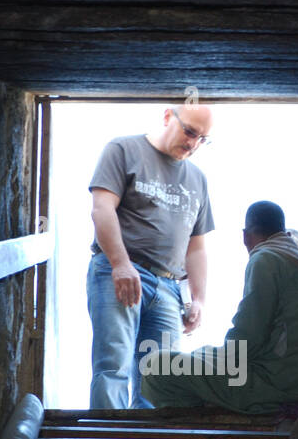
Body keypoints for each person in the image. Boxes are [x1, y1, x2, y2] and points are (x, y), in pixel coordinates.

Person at [140, 201, 298, 414]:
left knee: (156, 367)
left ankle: (208, 424)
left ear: (245, 236)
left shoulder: (265, 259)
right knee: (197, 360)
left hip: (280, 388)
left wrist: (204, 354)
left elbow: (245, 342)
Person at [86, 105, 215, 408]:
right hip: (119, 273)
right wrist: (120, 264)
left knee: (160, 379)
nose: (194, 143)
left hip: (169, 287)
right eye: (190, 132)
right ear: (169, 117)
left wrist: (198, 299)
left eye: (203, 139)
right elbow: (101, 209)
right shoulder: (123, 149)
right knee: (113, 364)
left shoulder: (197, 178)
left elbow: (196, 245)